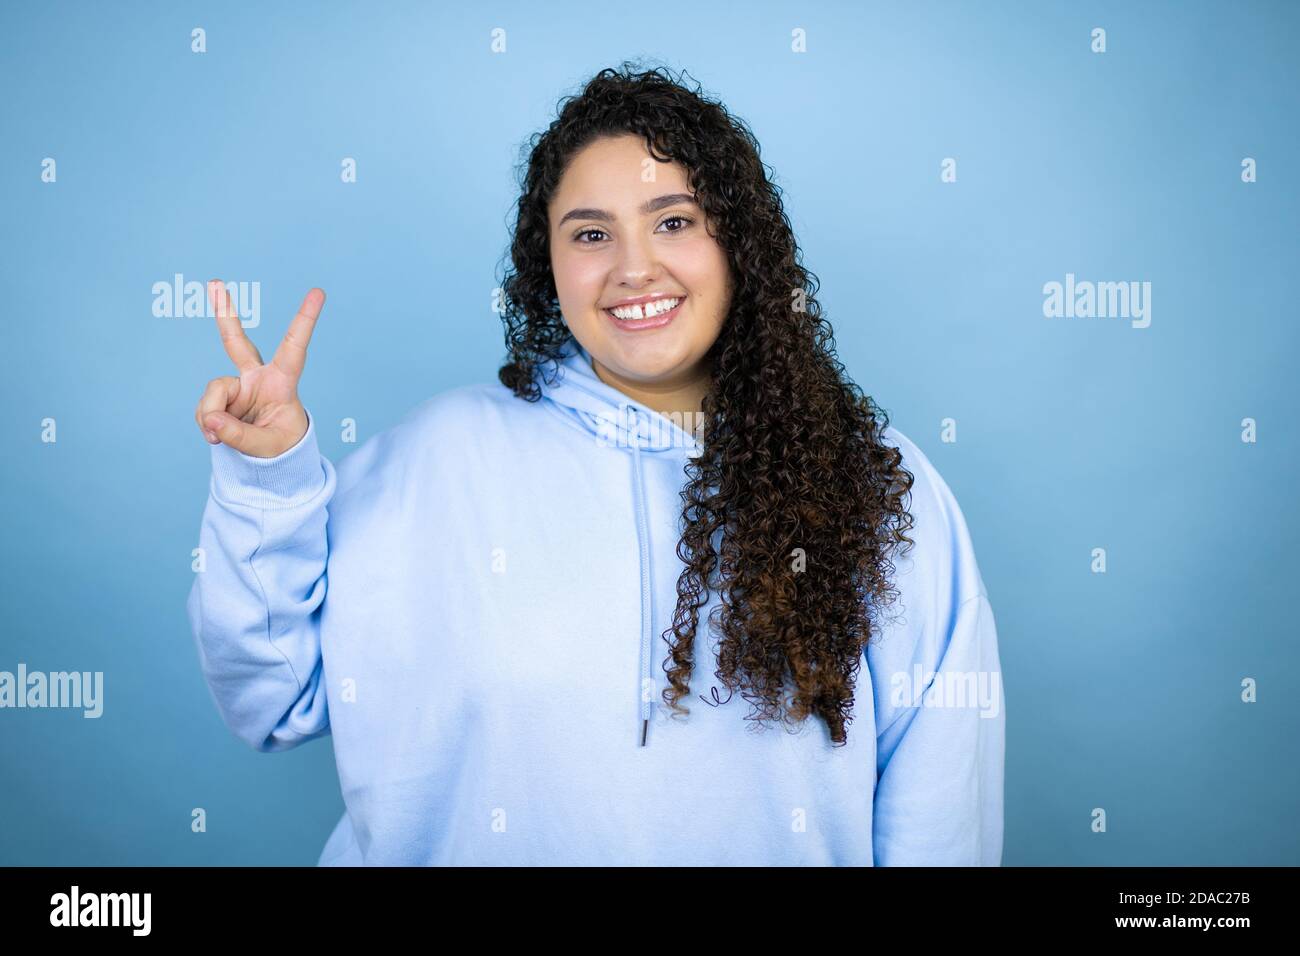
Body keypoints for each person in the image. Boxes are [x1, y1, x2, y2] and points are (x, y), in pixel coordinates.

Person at [186, 64, 1005, 866]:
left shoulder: (868, 481)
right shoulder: (432, 462)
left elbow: (940, 812)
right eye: (590, 233)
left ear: (739, 242)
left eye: (675, 221)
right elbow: (270, 701)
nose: (633, 267)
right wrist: (268, 477)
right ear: (548, 263)